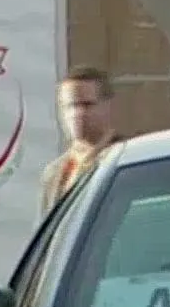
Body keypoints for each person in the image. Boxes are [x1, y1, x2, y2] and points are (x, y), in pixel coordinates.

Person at [40, 66, 120, 215]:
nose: (78, 114)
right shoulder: (54, 174)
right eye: (71, 106)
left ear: (107, 106)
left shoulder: (124, 161)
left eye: (87, 105)